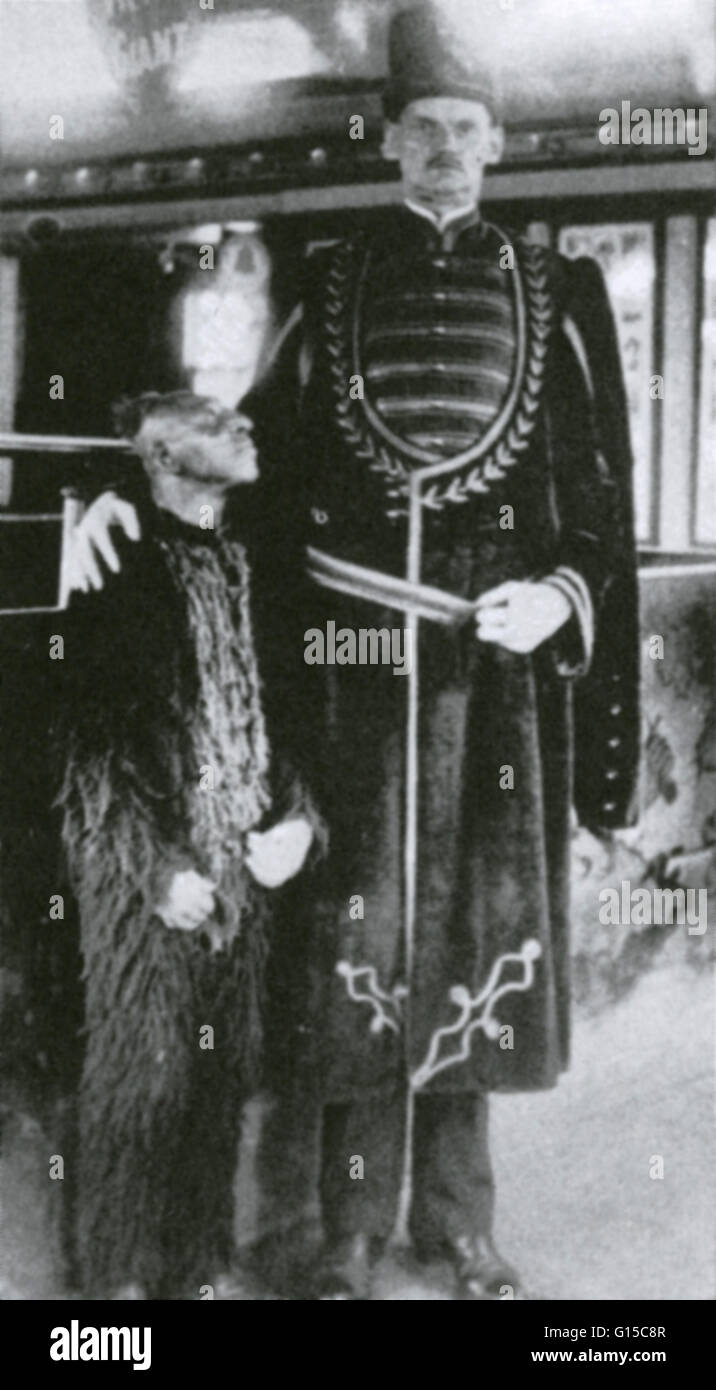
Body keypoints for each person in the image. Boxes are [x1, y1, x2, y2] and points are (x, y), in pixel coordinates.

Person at [67, 2, 639, 1301]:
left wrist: (559, 595)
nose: (445, 149)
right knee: (356, 952)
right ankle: (348, 1234)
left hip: (496, 684)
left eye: (466, 129)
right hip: (348, 677)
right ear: (388, 141)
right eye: (422, 127)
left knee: (479, 946)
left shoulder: (561, 292)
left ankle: (460, 1227)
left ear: (496, 145)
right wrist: (107, 490)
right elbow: (225, 446)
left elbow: (597, 502)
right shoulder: (323, 284)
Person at [55, 391, 321, 1299]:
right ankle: (119, 1287)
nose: (241, 423)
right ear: (162, 458)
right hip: (145, 875)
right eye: (211, 421)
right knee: (143, 1081)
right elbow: (91, 757)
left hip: (244, 871)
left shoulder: (265, 562)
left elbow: (298, 726)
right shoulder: (113, 570)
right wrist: (158, 871)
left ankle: (200, 1266)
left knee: (221, 1073)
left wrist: (299, 822)